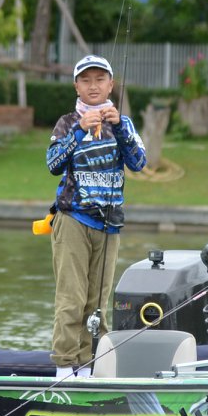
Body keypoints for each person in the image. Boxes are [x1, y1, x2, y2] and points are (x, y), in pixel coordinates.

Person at [45, 53, 147, 373]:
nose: (93, 86)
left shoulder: (124, 124)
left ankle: (91, 370)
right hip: (73, 219)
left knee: (97, 307)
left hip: (109, 225)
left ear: (111, 84)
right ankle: (64, 370)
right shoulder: (66, 122)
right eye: (86, 80)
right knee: (71, 301)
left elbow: (139, 162)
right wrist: (78, 132)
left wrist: (119, 129)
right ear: (76, 86)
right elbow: (52, 164)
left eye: (100, 79)